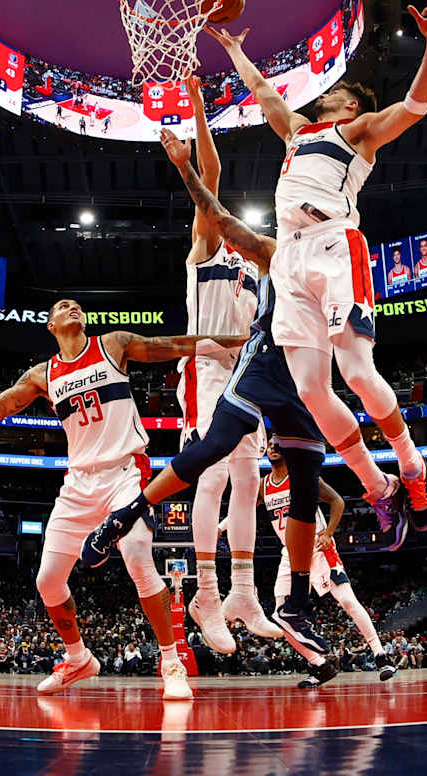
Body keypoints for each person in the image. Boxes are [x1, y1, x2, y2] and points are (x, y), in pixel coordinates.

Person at [84, 131, 407, 685]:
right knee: (213, 461)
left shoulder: (306, 256)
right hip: (230, 369)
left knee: (291, 477)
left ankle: (279, 599)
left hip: (297, 376)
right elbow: (209, 203)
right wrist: (190, 153)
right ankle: (166, 554)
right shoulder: (238, 250)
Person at [0, 306, 247, 701]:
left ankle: (171, 661)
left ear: (84, 321)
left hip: (125, 472)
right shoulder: (43, 375)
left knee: (139, 557)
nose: (70, 307)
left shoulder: (113, 344)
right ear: (50, 325)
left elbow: (176, 344)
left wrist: (241, 340)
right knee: (47, 580)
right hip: (78, 483)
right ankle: (78, 658)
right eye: (60, 307)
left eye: (75, 305)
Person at [204, 6, 427, 533]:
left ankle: (410, 464)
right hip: (288, 258)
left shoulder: (357, 130)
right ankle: (377, 485)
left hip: (334, 244)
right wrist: (236, 51)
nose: (325, 93)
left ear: (352, 102)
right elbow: (265, 94)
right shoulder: (297, 131)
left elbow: (415, 107)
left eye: (336, 91)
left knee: (357, 372)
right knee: (313, 390)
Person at [171, 76, 279, 652]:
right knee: (211, 474)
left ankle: (242, 591)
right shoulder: (208, 251)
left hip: (246, 376)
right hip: (207, 369)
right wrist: (195, 106)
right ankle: (205, 593)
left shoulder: (261, 270)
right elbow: (208, 181)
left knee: (247, 482)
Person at [262, 436, 395, 687]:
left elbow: (337, 501)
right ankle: (319, 664)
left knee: (346, 599)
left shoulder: (302, 475)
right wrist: (223, 527)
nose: (272, 447)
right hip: (289, 553)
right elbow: (243, 509)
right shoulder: (264, 484)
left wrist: (329, 533)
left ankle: (381, 655)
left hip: (317, 547)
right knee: (279, 616)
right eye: (269, 444)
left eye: (277, 443)